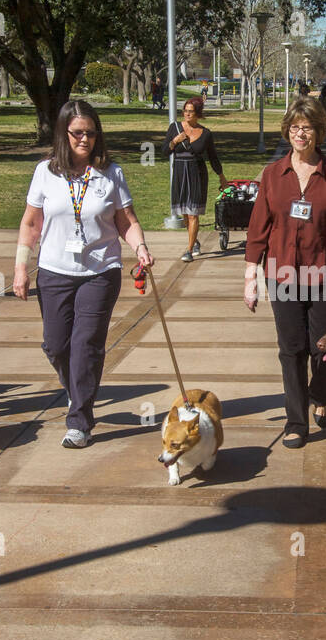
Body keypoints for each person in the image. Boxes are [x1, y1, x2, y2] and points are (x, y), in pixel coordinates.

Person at [12, 100, 154, 447]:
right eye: (78, 133)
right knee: (56, 346)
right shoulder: (46, 172)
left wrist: (140, 247)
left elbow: (126, 221)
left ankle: (79, 420)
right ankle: (78, 387)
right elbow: (31, 224)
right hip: (54, 271)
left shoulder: (111, 173)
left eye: (91, 133)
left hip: (100, 272)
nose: (85, 139)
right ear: (64, 133)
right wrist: (20, 266)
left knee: (86, 346)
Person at [244, 95, 326, 449]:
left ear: (318, 131)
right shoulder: (273, 175)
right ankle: (296, 421)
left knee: (322, 348)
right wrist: (251, 276)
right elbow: (258, 228)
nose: (299, 134)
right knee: (291, 349)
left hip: (322, 274)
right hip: (281, 274)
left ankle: (321, 395)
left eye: (306, 127)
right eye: (294, 127)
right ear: (287, 131)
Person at [165, 95, 226, 261]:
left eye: (190, 111)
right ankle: (195, 241)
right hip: (179, 172)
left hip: (197, 174)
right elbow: (165, 150)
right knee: (185, 213)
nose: (187, 114)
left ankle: (189, 250)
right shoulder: (175, 128)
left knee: (193, 215)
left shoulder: (206, 134)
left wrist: (221, 176)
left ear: (198, 113)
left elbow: (213, 157)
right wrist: (174, 141)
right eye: (185, 111)